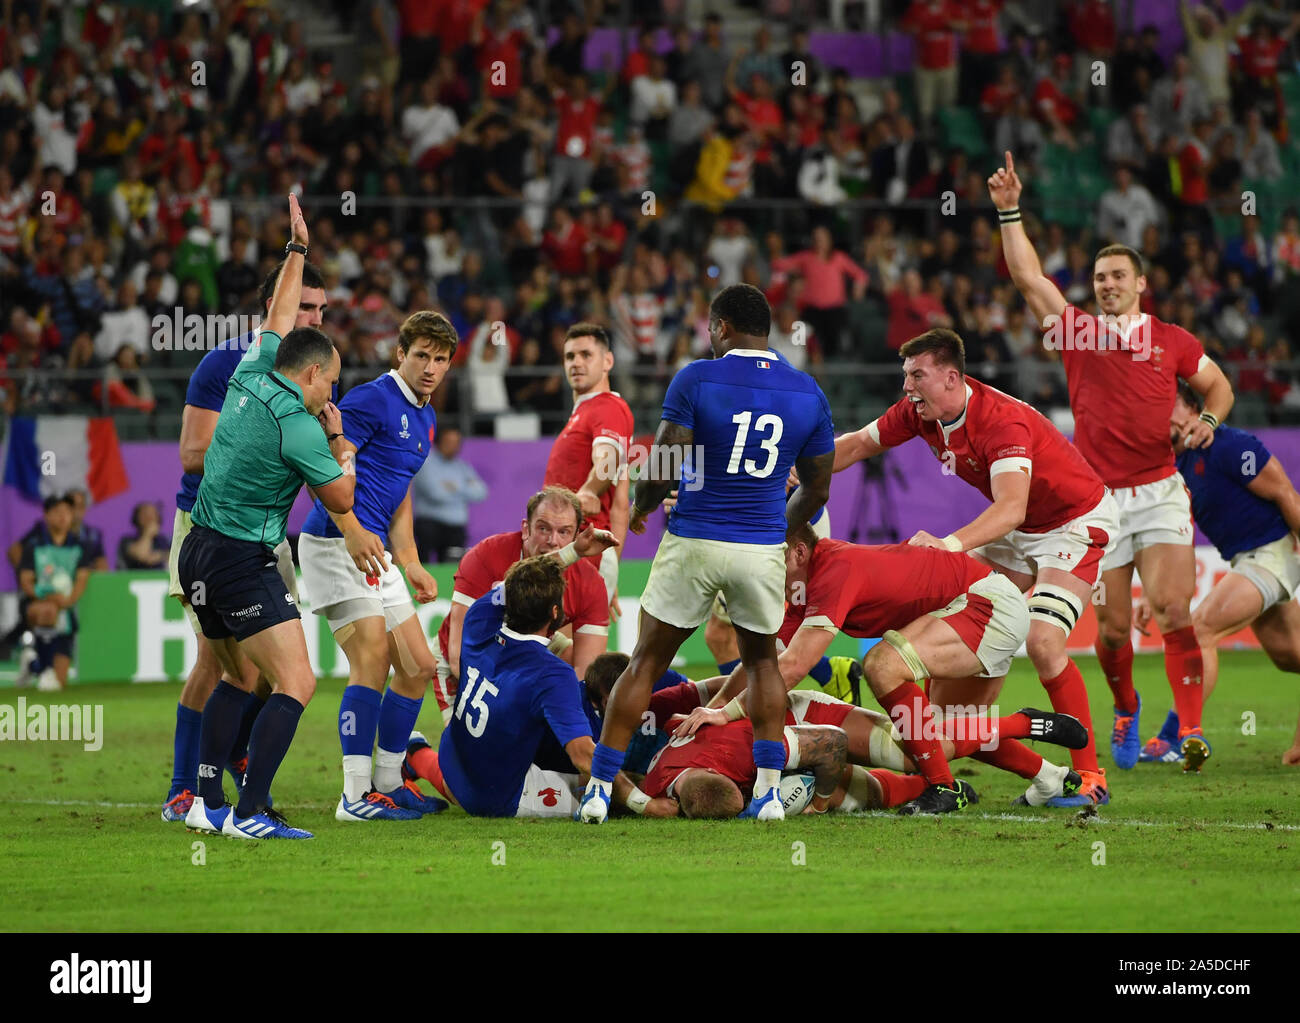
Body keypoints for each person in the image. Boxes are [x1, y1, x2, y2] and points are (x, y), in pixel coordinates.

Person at [992, 150, 1235, 778]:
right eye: (1100, 277)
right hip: (1099, 501)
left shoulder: (1173, 340)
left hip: (1159, 490)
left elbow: (1220, 387)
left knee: (1174, 609)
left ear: (1139, 283)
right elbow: (1029, 280)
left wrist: (1208, 422)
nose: (1107, 285)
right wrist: (1009, 212)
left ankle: (1190, 730)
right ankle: (1126, 707)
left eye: (1118, 276)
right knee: (1111, 630)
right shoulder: (1079, 335)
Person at [578, 283, 836, 824]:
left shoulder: (696, 377)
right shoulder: (808, 391)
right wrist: (776, 528)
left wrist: (644, 506)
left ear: (720, 328)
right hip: (759, 544)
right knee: (763, 662)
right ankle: (768, 795)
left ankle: (600, 789)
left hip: (695, 535)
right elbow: (817, 490)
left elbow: (669, 458)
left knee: (648, 660)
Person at [831, 328, 1117, 805]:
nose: (907, 387)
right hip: (1015, 530)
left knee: (1043, 641)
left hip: (1072, 523)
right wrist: (798, 468)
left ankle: (1091, 777)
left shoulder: (1001, 422)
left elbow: (1011, 509)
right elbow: (859, 444)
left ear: (951, 378)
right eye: (905, 376)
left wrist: (950, 544)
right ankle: (1047, 776)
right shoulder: (919, 413)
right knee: (944, 720)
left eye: (916, 376)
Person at [180, 194, 354, 840]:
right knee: (297, 679)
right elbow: (339, 500)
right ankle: (250, 810)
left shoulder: (253, 367)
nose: (330, 393)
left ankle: (203, 798)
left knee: (237, 672)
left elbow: (279, 313)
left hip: (197, 547)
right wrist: (339, 443)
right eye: (329, 383)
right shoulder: (301, 425)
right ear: (310, 373)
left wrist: (297, 249)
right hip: (238, 557)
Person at [703, 521, 1090, 810]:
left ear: (800, 552)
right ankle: (1050, 778)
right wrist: (716, 707)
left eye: (772, 562)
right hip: (961, 608)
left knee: (882, 665)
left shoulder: (834, 570)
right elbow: (768, 660)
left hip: (984, 605)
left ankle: (947, 788)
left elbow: (794, 669)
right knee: (930, 738)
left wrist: (727, 715)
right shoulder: (801, 587)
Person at [159, 255, 328, 823]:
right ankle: (189, 790)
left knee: (253, 673)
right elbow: (190, 456)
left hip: (263, 537)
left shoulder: (307, 372)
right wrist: (260, 447)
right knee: (221, 664)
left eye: (323, 309)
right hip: (213, 527)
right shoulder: (229, 361)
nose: (315, 316)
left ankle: (227, 786)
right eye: (304, 304)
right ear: (277, 306)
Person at [298, 310, 457, 822]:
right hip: (335, 541)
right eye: (421, 356)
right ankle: (354, 795)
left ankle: (389, 782)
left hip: (377, 551)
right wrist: (350, 531)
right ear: (400, 355)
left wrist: (408, 560)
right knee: (372, 659)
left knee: (417, 667)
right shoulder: (371, 399)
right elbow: (326, 467)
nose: (430, 367)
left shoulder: (427, 416)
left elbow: (399, 490)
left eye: (440, 359)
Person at [402, 555, 677, 819]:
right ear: (555, 612)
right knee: (596, 789)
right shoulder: (552, 673)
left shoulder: (478, 618)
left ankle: (416, 752)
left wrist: (572, 552)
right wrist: (644, 805)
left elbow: (509, 587)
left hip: (454, 756)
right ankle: (418, 755)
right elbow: (583, 755)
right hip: (496, 797)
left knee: (468, 775)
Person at [1135, 383, 1300, 768]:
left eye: (1168, 406)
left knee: (1200, 630)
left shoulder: (1228, 445)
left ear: (1193, 410)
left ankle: (1177, 735)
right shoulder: (1176, 469)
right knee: (1289, 656)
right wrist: (1150, 593)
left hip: (1273, 552)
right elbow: (1176, 539)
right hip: (1247, 560)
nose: (1160, 416)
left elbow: (1285, 495)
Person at [432, 487, 609, 722]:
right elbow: (460, 658)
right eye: (543, 528)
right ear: (526, 528)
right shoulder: (486, 555)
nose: (553, 541)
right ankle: (417, 754)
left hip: (531, 645)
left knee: (584, 674)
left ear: (577, 536)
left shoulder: (590, 583)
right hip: (473, 655)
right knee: (480, 755)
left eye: (564, 532)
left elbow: (585, 675)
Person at [543, 322, 633, 607]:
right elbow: (620, 504)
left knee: (561, 647)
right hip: (584, 555)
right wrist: (611, 569)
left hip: (581, 554)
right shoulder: (586, 412)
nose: (576, 363)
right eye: (570, 356)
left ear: (608, 361)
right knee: (568, 650)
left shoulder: (607, 407)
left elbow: (607, 460)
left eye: (586, 354)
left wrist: (590, 490)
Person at [16, 495, 94, 691]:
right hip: (38, 603)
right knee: (47, 611)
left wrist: (68, 601)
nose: (63, 517)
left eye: (67, 512)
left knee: (59, 683)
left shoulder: (80, 546)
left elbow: (82, 579)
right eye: (57, 512)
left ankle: (33, 664)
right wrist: (46, 596)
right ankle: (46, 669)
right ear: (47, 515)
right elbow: (26, 580)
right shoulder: (35, 544)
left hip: (65, 608)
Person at [410, 427, 486, 563]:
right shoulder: (425, 464)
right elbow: (435, 493)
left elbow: (481, 492)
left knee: (454, 569)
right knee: (424, 565)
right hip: (430, 525)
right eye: (448, 442)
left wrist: (454, 487)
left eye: (456, 443)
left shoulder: (462, 467)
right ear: (438, 442)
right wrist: (465, 487)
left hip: (456, 528)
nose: (453, 446)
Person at [117, 502, 169, 570]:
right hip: (133, 579)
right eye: (145, 514)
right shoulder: (127, 540)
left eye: (153, 514)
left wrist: (160, 555)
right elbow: (142, 555)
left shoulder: (166, 541)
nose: (150, 518)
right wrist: (148, 534)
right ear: (136, 518)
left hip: (161, 579)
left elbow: (174, 558)